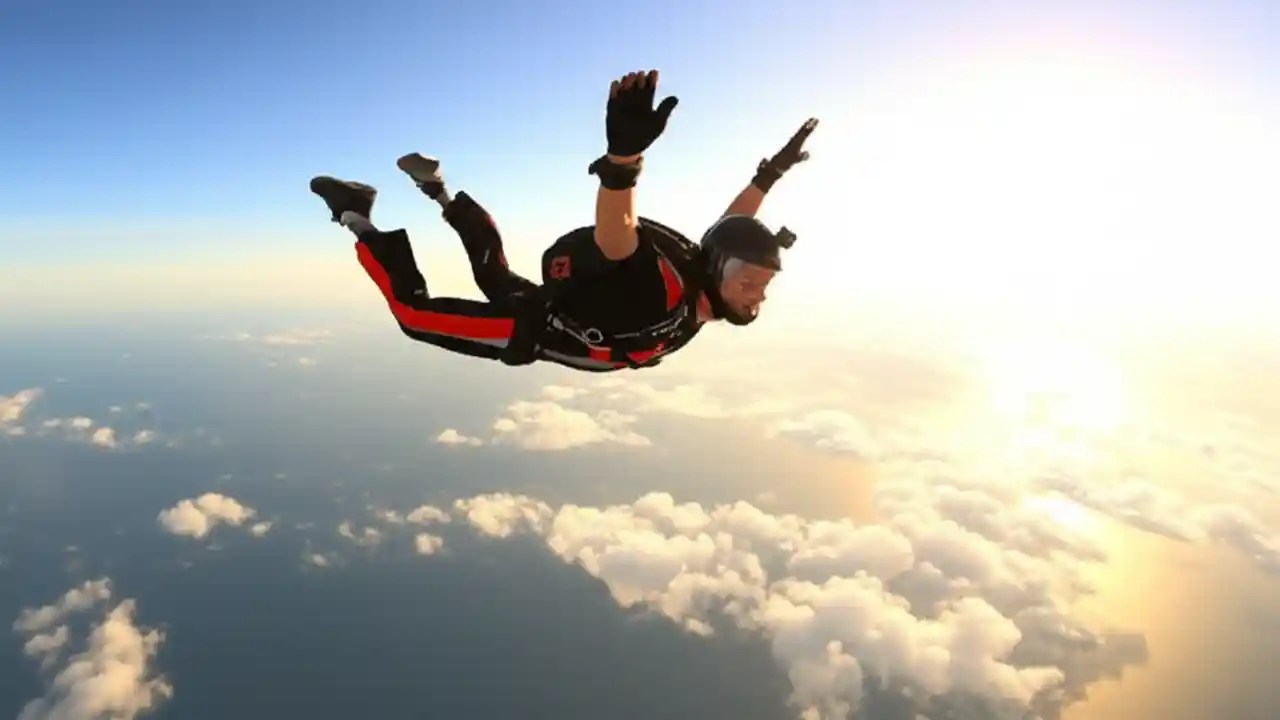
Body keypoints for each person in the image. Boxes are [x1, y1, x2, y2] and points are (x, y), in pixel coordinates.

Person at [309, 69, 817, 371]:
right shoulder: (661, 294)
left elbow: (730, 228)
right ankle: (358, 216)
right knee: (416, 318)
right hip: (533, 329)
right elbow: (617, 238)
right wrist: (621, 163)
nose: (758, 295)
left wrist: (769, 175)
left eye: (761, 284)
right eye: (751, 282)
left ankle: (438, 188)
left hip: (549, 305)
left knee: (491, 271)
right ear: (720, 269)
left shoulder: (698, 263)